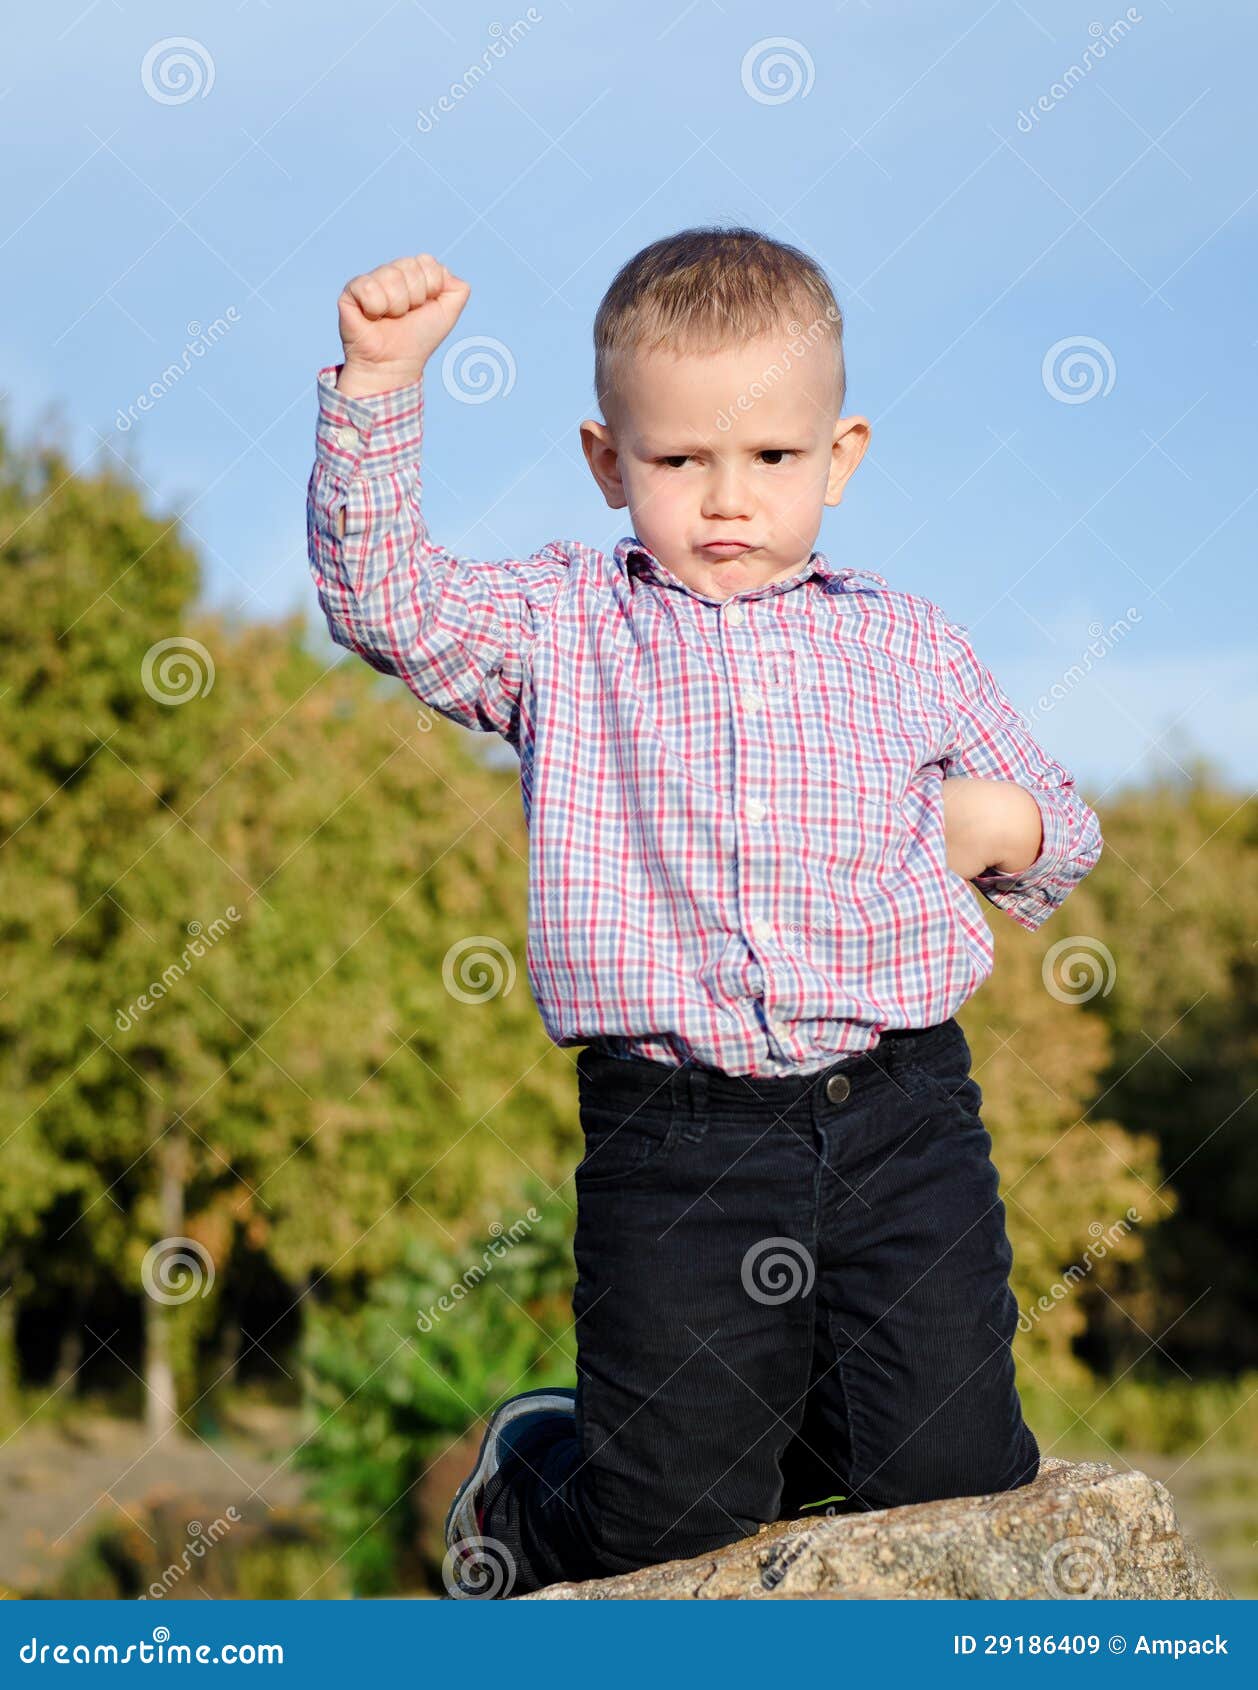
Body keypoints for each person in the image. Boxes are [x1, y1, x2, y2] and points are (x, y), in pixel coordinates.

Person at [306, 226, 1103, 1600]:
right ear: (609, 461)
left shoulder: (905, 644)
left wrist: (997, 825)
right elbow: (384, 603)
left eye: (771, 461)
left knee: (951, 1466)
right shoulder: (561, 625)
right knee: (666, 1523)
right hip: (676, 1142)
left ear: (837, 457)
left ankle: (781, 1426)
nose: (725, 500)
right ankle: (547, 1476)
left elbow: (1066, 827)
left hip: (899, 1116)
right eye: (678, 462)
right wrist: (379, 385)